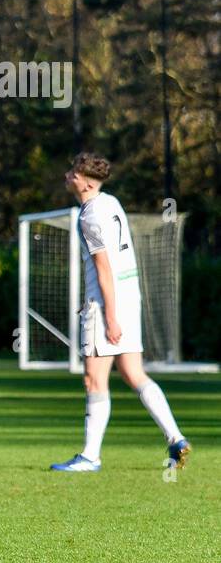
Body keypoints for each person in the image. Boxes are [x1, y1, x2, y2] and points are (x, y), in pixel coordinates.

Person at [49, 153, 192, 473]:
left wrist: (109, 316)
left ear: (86, 181)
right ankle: (176, 438)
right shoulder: (110, 202)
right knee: (133, 374)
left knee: (93, 380)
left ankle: (89, 457)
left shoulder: (89, 216)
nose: (67, 175)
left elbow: (104, 269)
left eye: (72, 172)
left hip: (107, 304)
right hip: (130, 297)